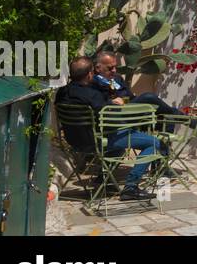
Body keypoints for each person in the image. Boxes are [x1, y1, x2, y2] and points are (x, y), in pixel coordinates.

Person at [57, 56, 161, 201]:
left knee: (120, 146)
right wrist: (119, 107)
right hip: (96, 141)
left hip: (74, 142)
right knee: (153, 142)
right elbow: (111, 116)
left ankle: (104, 179)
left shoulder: (61, 93)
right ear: (89, 74)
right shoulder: (92, 95)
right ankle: (130, 188)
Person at [92, 51, 185, 118]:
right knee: (149, 97)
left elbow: (130, 96)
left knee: (164, 116)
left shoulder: (117, 78)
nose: (114, 70)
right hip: (116, 112)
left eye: (115, 67)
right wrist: (111, 102)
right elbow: (96, 103)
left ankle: (165, 142)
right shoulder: (94, 82)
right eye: (110, 68)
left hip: (130, 107)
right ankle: (178, 115)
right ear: (98, 68)